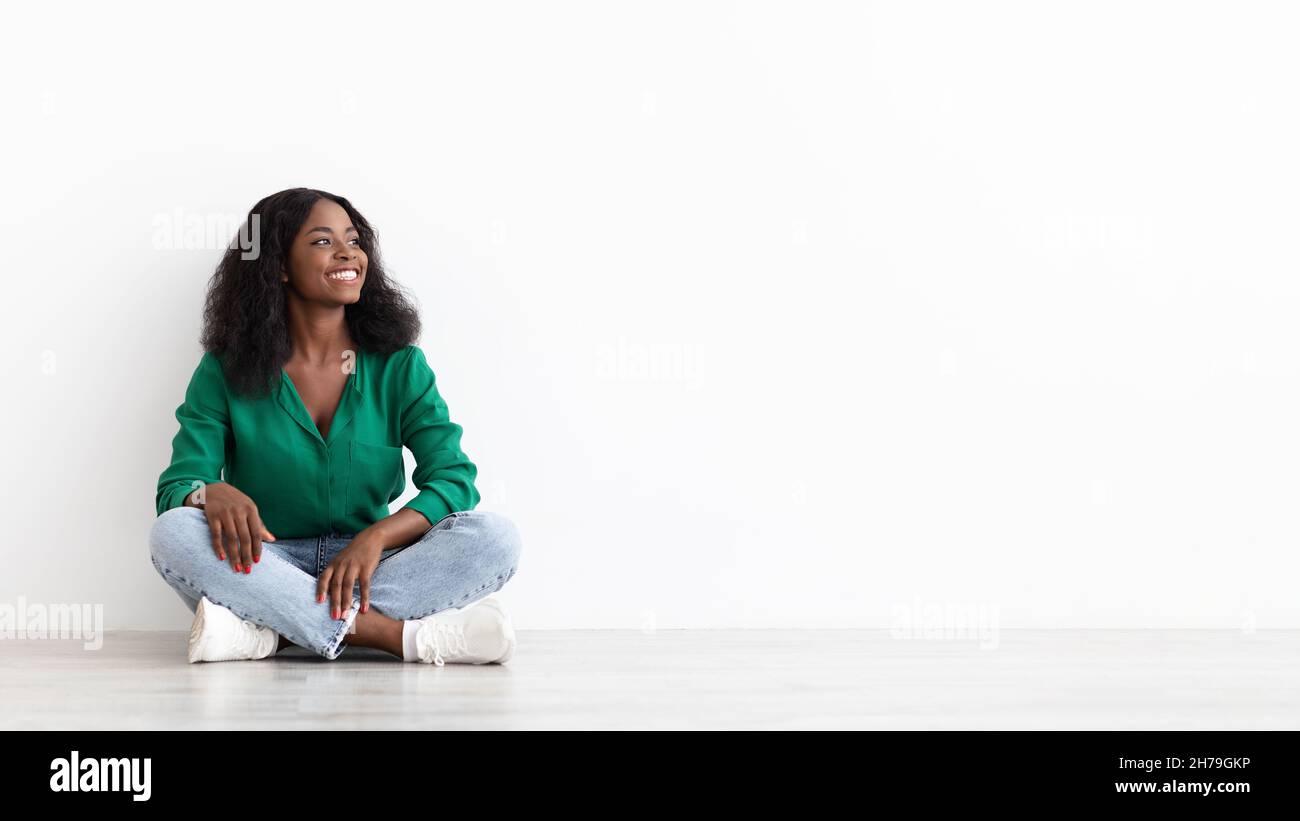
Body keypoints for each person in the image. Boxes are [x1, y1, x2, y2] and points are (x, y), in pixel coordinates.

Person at [149, 187, 521, 665]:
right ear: (279, 265)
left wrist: (376, 538)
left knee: (495, 538)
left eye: (354, 239)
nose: (348, 252)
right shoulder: (225, 371)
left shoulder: (400, 366)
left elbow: (453, 480)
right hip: (266, 560)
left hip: (375, 565)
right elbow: (178, 485)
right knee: (174, 533)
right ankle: (399, 637)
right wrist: (208, 493)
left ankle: (268, 633)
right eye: (323, 241)